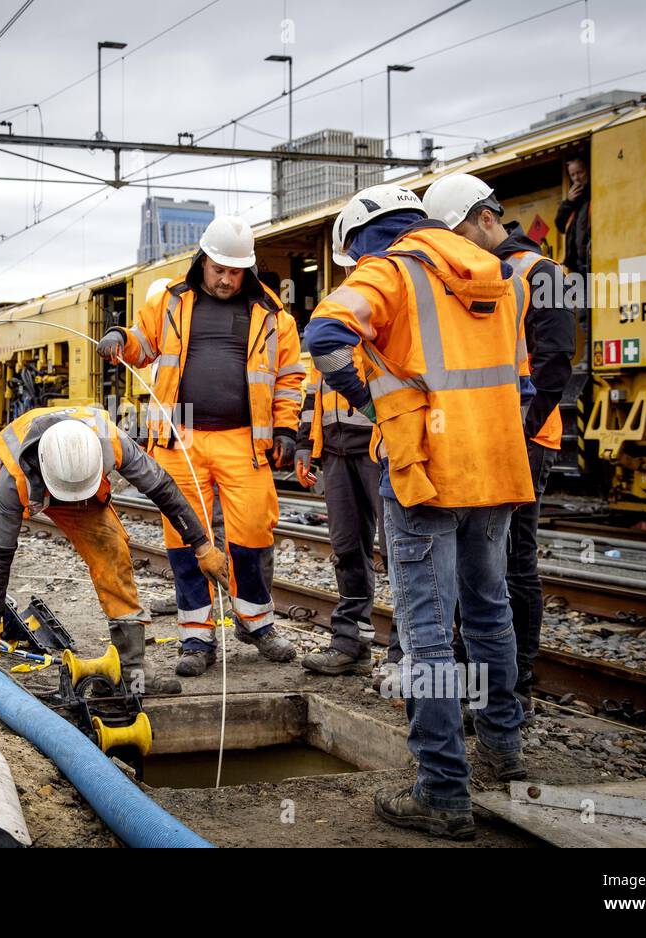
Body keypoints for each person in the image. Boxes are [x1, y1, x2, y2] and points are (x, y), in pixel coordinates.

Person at [305, 183, 535, 840]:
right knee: (490, 614)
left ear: (362, 238)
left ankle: (442, 791)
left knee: (428, 633)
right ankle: (504, 752)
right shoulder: (490, 269)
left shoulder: (388, 270)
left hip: (425, 470)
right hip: (495, 465)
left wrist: (377, 400)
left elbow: (325, 335)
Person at [0, 405, 228, 701]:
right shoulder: (12, 472)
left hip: (80, 480)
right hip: (18, 474)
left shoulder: (112, 442)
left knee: (112, 550)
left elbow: (164, 489)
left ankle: (133, 669)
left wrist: (201, 545)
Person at [97, 216, 304, 676]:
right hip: (180, 437)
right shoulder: (170, 301)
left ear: (247, 270)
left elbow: (290, 379)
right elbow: (143, 345)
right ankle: (196, 637)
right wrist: (120, 338)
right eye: (218, 269)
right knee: (185, 537)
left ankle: (256, 623)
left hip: (244, 441)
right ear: (202, 262)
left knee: (253, 530)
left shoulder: (273, 316)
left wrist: (287, 429)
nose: (227, 279)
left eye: (235, 271)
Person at [423, 172, 576, 721]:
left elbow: (556, 363)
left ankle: (520, 680)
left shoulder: (545, 273)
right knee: (478, 559)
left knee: (514, 557)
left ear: (487, 220)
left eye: (460, 235)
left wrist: (522, 426)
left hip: (525, 435)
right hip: (480, 434)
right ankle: (478, 676)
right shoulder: (474, 272)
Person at [293, 198, 386, 676]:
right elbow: (315, 386)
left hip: (378, 443)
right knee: (348, 547)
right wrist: (305, 446)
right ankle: (351, 641)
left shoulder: (383, 303)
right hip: (334, 449)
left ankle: (412, 654)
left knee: (402, 552)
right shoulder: (341, 308)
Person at [555, 154, 590, 277]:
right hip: (577, 264)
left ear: (588, 171)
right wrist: (568, 202)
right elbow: (560, 224)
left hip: (589, 261)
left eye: (580, 172)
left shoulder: (593, 194)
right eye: (572, 175)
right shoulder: (573, 201)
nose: (576, 178)